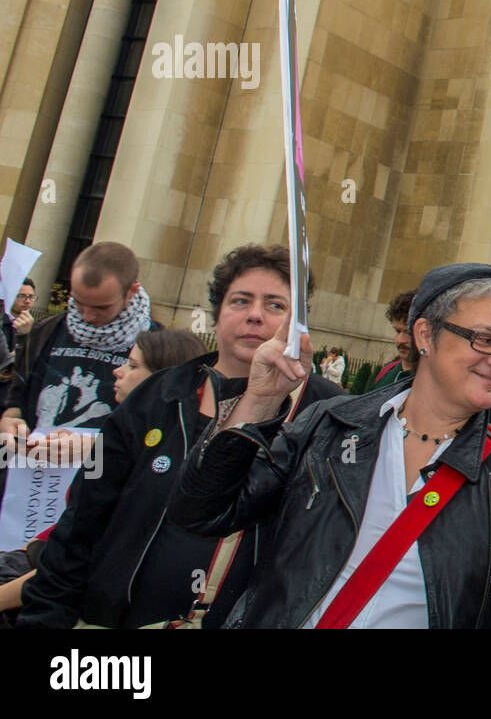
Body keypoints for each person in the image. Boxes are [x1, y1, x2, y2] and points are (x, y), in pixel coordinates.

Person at [168, 263, 491, 628]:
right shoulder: (330, 426)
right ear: (425, 335)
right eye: (483, 339)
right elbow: (202, 512)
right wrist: (259, 401)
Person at [17, 244, 343, 629]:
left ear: (298, 323)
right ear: (217, 314)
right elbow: (80, 526)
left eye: (275, 306)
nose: (255, 315)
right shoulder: (158, 395)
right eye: (240, 301)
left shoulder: (328, 416)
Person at [0, 327, 208, 624]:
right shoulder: (117, 438)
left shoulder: (152, 466)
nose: (117, 371)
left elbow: (71, 561)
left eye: (133, 366)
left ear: (162, 381)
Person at [3, 244, 155, 436]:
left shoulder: (155, 346)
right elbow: (16, 397)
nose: (88, 316)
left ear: (131, 292)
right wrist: (10, 420)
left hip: (104, 462)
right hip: (34, 459)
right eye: (79, 303)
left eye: (102, 307)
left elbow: (153, 426)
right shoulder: (46, 330)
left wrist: (92, 447)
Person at [373, 289, 417, 388]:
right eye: (398, 331)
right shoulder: (385, 372)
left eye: (408, 333)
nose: (401, 340)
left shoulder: (434, 383)